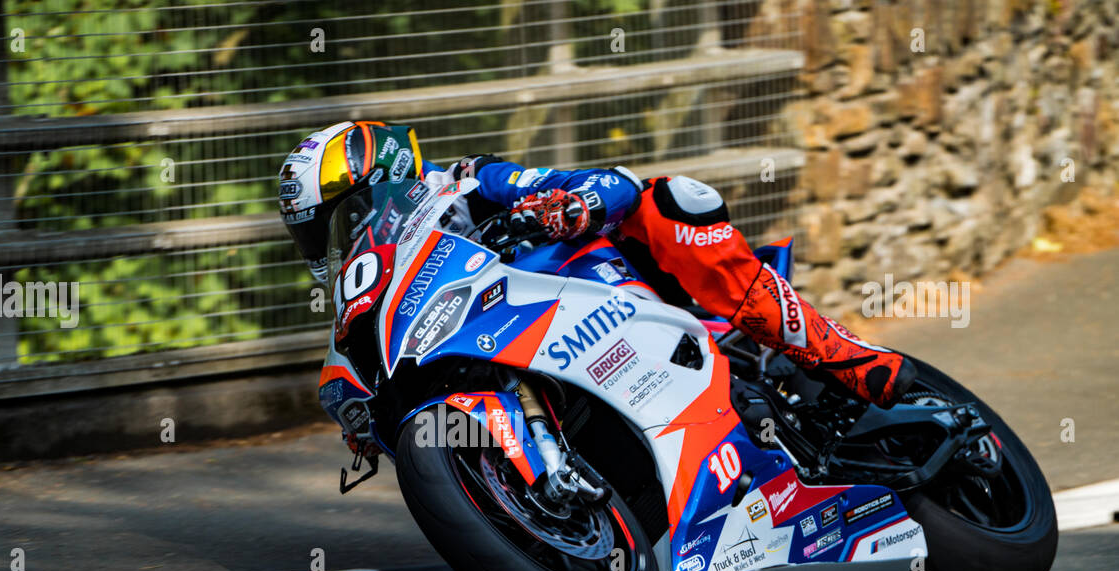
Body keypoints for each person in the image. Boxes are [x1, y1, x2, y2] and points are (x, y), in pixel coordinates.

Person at [278, 120, 915, 408]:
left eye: (343, 216)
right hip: (519, 345)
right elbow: (350, 376)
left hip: (608, 290)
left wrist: (574, 203)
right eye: (321, 239)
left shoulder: (470, 185)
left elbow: (615, 183)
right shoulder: (380, 283)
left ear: (383, 178)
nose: (342, 241)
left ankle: (850, 360)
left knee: (667, 204)